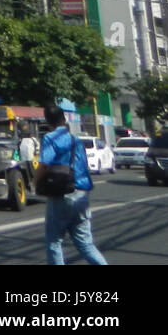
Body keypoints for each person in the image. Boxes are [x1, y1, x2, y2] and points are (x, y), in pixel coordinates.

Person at [38, 104, 107, 266]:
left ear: (48, 122)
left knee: (54, 242)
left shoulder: (50, 138)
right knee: (85, 244)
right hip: (81, 195)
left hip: (62, 195)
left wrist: (36, 182)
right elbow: (83, 168)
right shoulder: (76, 140)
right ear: (64, 119)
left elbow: (43, 165)